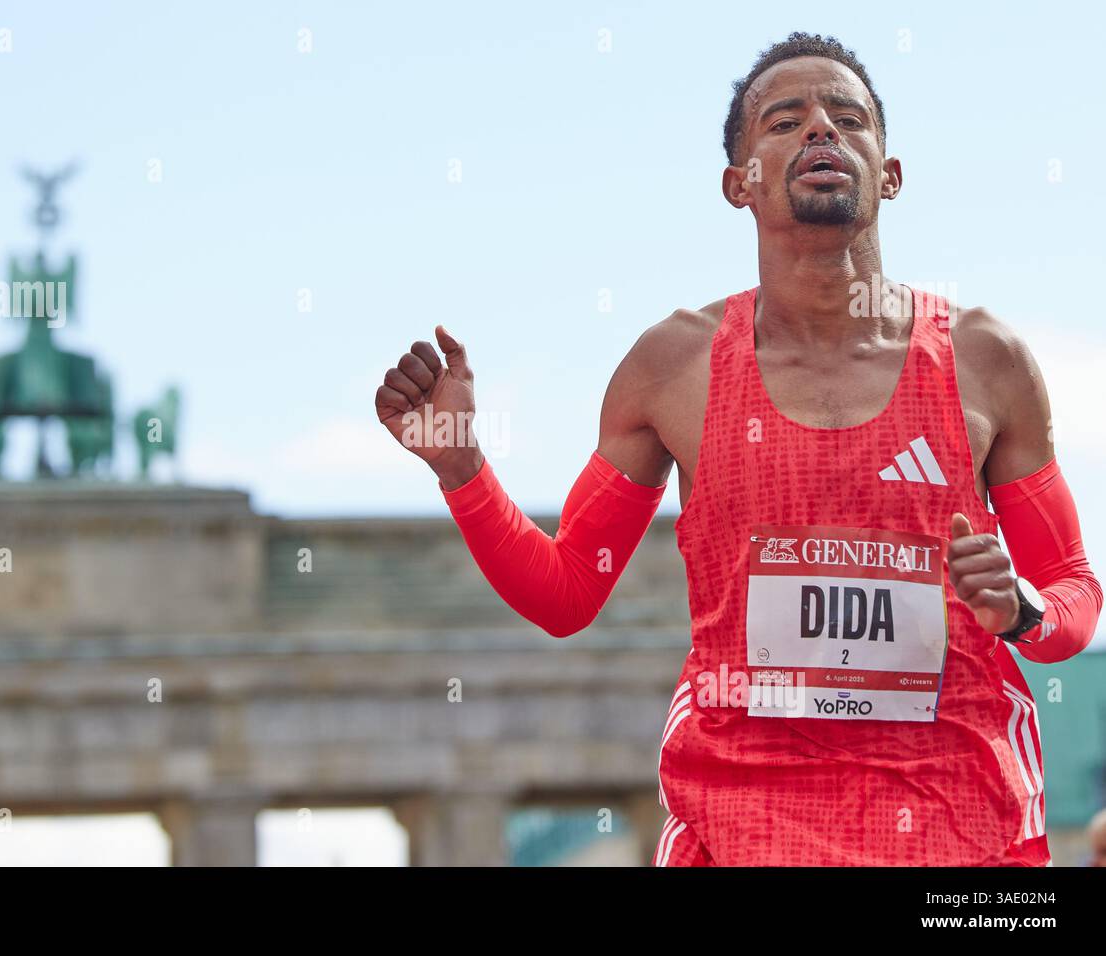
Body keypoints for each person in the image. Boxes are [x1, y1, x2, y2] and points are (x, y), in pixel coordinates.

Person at [374, 32, 1101, 866]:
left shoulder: (985, 360)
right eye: (784, 120)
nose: (820, 130)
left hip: (964, 832)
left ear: (890, 173)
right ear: (737, 184)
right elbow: (567, 593)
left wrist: (1025, 611)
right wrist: (462, 467)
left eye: (848, 118)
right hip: (742, 829)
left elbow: (1073, 592)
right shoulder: (672, 367)